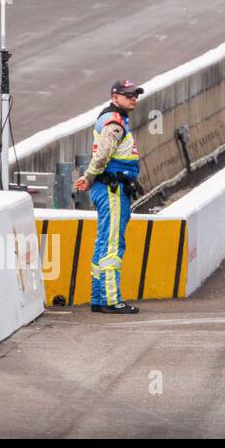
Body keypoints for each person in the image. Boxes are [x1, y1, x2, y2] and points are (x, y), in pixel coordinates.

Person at [74, 80, 145, 314]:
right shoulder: (114, 122)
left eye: (135, 94)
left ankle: (98, 298)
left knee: (103, 242)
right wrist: (89, 176)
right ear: (115, 98)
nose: (133, 98)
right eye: (128, 95)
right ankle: (111, 300)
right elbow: (103, 154)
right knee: (113, 244)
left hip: (109, 188)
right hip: (112, 189)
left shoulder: (115, 118)